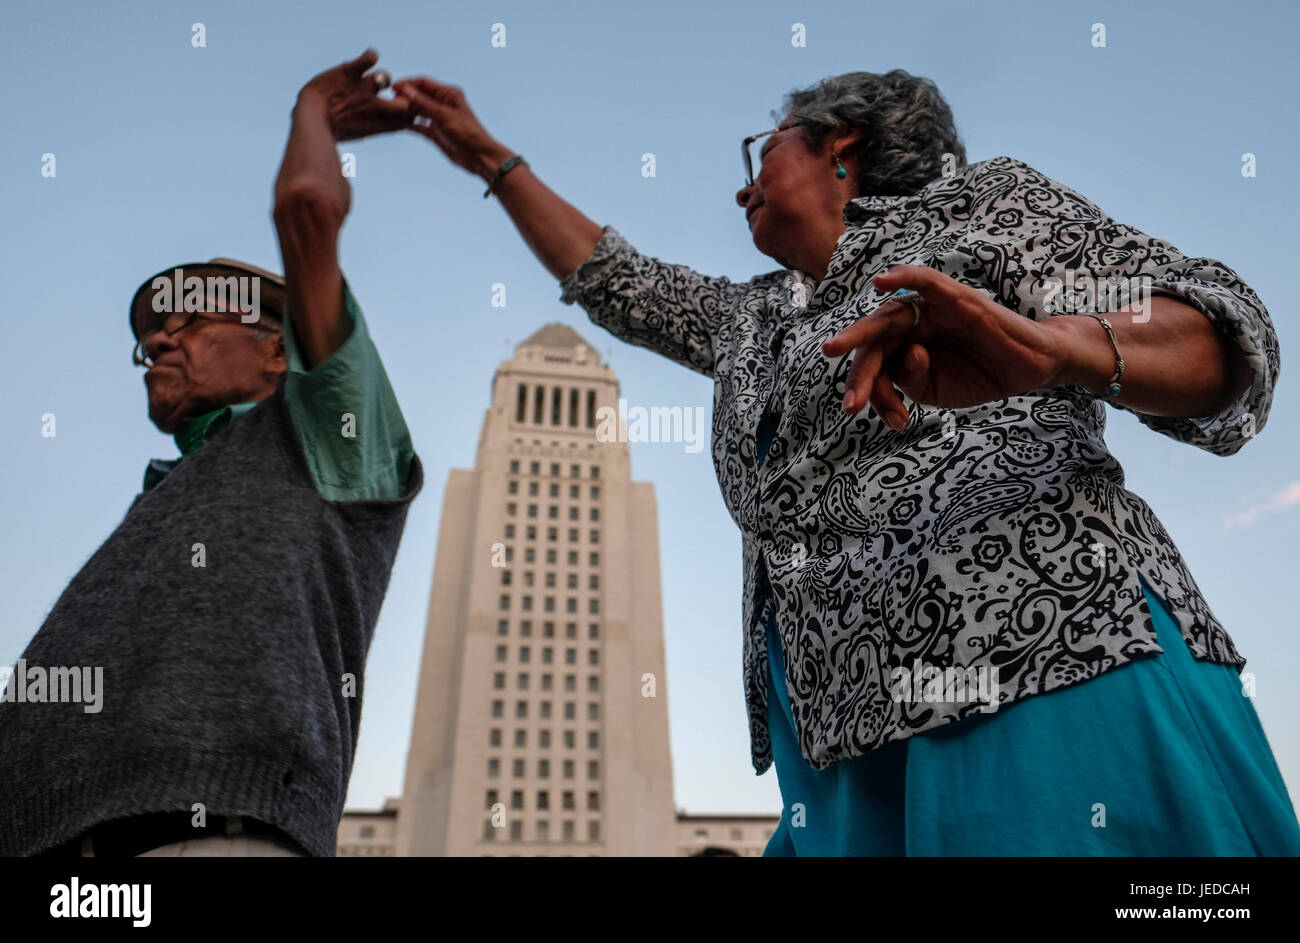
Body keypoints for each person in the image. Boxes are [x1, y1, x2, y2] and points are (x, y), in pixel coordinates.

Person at [392, 67, 1299, 856]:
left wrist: (1054, 345)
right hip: (834, 740)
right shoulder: (747, 318)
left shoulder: (984, 208)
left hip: (1041, 668)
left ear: (842, 144)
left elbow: (1223, 335)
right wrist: (489, 158)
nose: (742, 187)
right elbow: (613, 277)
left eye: (762, 151)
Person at [0, 50, 422, 857]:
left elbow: (307, 206)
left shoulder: (331, 442)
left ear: (278, 350)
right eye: (151, 335)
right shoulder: (158, 499)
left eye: (191, 319)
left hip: (208, 837)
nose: (159, 337)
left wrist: (312, 115)